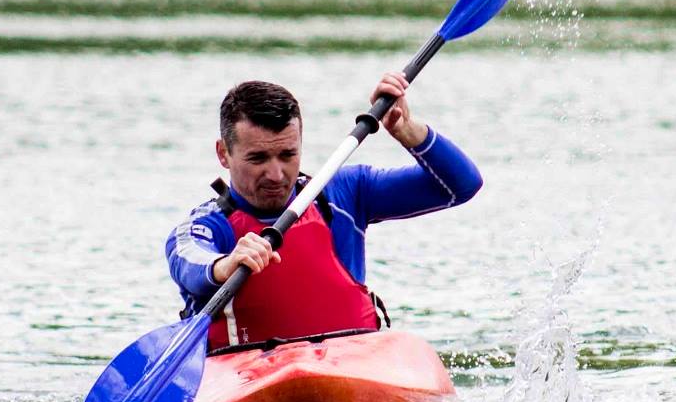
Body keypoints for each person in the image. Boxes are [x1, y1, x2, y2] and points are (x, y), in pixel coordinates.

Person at [165, 74, 482, 350]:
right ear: (224, 153)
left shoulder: (345, 193)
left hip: (351, 369)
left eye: (288, 154)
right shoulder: (206, 225)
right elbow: (189, 262)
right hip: (247, 382)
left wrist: (409, 132)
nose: (276, 174)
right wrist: (227, 264)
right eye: (258, 158)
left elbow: (461, 185)